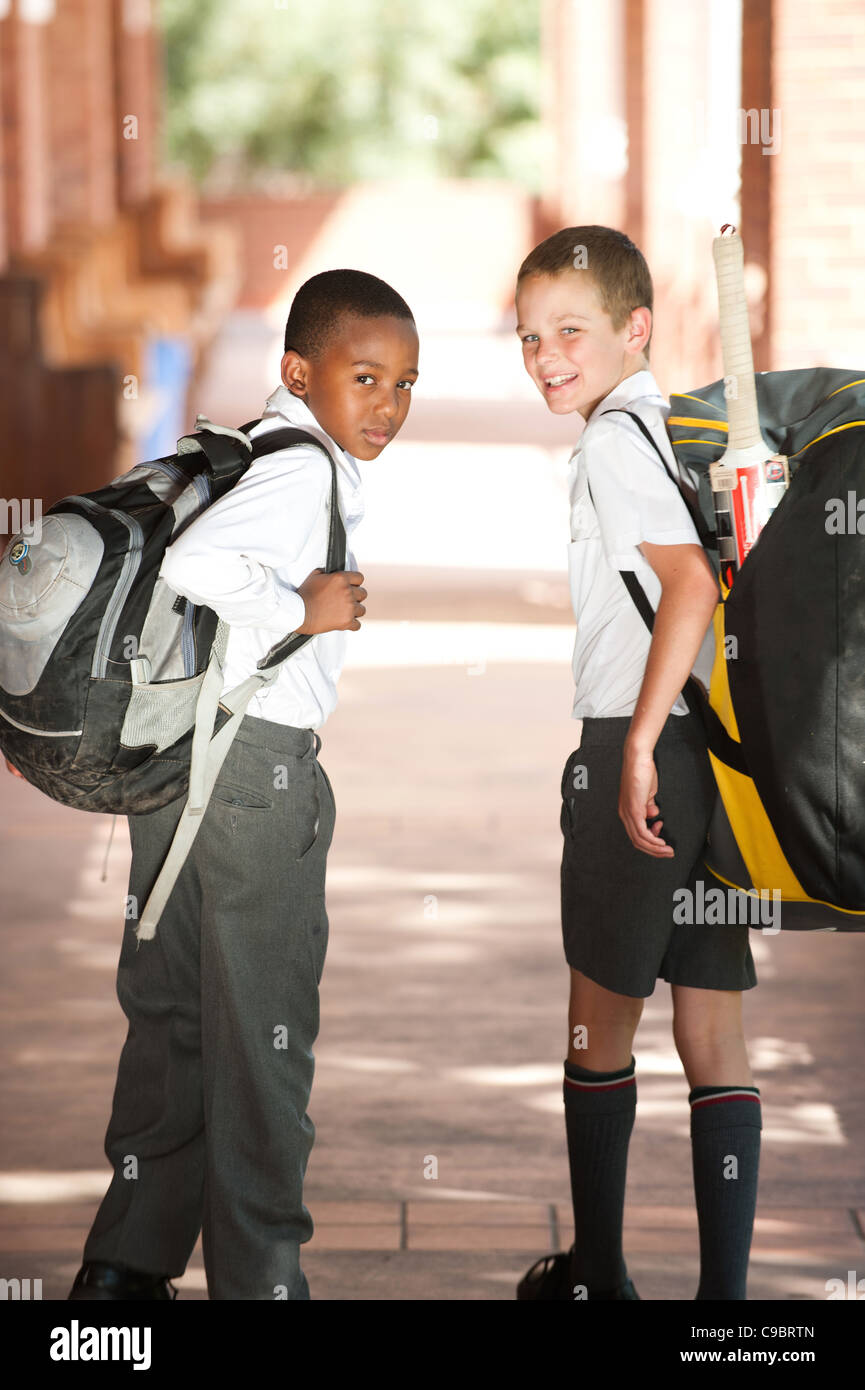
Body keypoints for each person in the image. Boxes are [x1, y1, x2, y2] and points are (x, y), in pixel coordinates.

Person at [43, 267, 419, 1300]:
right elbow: (199, 568)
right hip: (254, 777)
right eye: (364, 377)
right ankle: (262, 1277)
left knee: (174, 1017)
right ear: (299, 370)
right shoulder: (307, 471)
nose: (385, 405)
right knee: (264, 1035)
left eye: (402, 384)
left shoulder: (262, 445)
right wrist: (302, 605)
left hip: (183, 769)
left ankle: (125, 1264)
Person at [512, 227, 761, 1301]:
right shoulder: (665, 427)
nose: (546, 355)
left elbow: (688, 590)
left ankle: (598, 1278)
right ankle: (722, 1307)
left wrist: (637, 748)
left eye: (570, 330)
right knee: (711, 1029)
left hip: (640, 745)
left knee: (596, 1020)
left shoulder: (613, 443)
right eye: (529, 337)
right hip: (717, 757)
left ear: (634, 329)